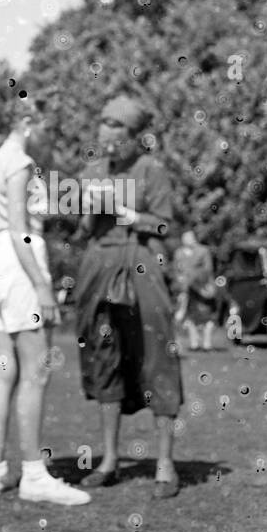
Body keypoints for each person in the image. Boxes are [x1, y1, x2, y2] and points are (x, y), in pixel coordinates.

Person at [0, 99, 90, 506]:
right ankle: (33, 474)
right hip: (18, 263)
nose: (48, 136)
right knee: (36, 371)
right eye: (44, 127)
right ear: (27, 123)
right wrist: (42, 286)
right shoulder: (19, 162)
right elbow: (20, 231)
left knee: (5, 371)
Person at [74, 95, 183, 498]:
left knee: (157, 356)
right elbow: (85, 230)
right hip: (98, 268)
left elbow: (164, 227)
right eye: (103, 122)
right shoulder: (89, 172)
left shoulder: (151, 170)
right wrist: (84, 207)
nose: (107, 131)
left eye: (117, 125)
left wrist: (130, 214)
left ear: (136, 135)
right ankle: (108, 460)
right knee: (104, 357)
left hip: (140, 265)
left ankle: (165, 465)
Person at [172, 229, 217, 352]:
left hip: (202, 289)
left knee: (206, 316)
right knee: (189, 317)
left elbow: (208, 269)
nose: (184, 240)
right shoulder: (179, 252)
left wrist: (192, 278)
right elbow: (176, 270)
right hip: (186, 290)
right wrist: (179, 281)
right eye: (183, 238)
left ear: (193, 238)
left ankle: (207, 344)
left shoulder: (203, 251)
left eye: (187, 237)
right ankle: (194, 344)